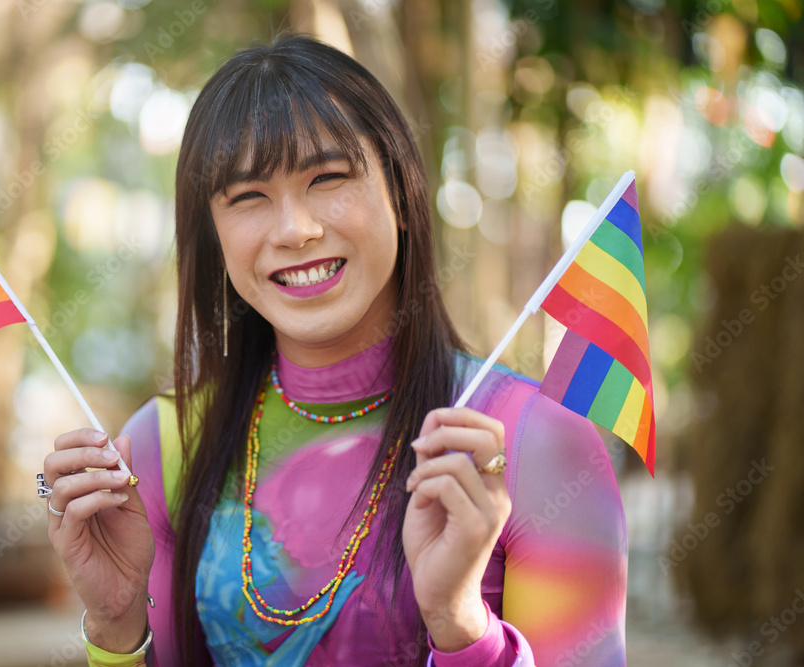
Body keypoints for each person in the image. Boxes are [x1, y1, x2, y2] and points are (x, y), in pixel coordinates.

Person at [40, 34, 627, 667]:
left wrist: (460, 627)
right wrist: (115, 624)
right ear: (212, 234)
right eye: (248, 197)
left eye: (328, 177)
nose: (296, 230)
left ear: (399, 194)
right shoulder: (160, 445)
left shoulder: (535, 443)